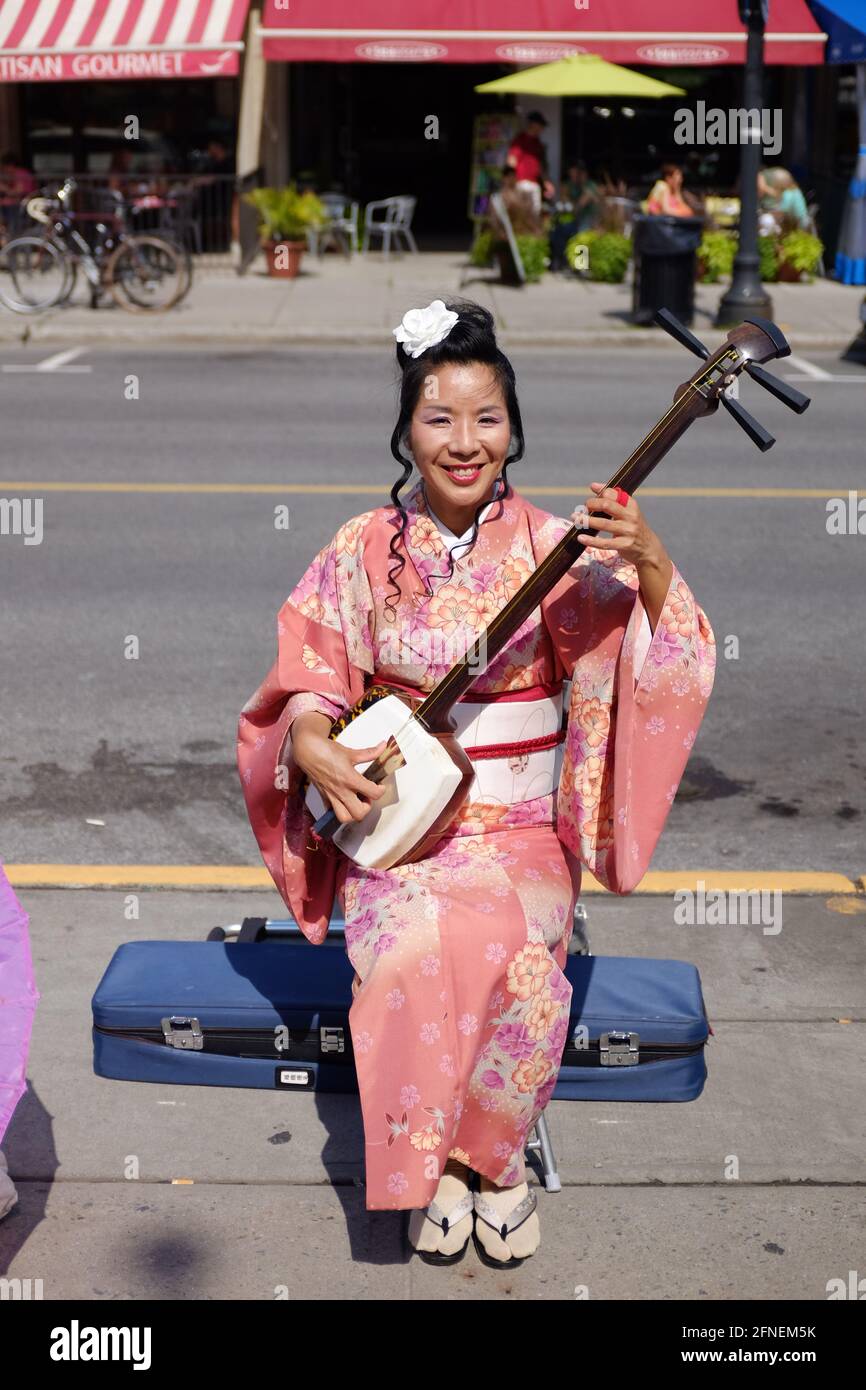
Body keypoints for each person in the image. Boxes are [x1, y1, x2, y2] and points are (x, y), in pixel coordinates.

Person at [236, 297, 716, 1266]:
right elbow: (308, 673)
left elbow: (651, 665)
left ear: (514, 426)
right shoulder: (360, 546)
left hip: (519, 826)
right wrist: (311, 738)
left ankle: (478, 1164)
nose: (464, 443)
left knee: (518, 957)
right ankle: (446, 1167)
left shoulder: (552, 549)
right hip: (405, 829)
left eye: (485, 418)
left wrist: (652, 564)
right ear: (405, 426)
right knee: (412, 945)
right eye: (438, 418)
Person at [548, 161, 600, 272]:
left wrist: (573, 203)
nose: (573, 176)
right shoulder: (570, 185)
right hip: (573, 220)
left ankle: (581, 265)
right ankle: (560, 262)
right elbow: (564, 198)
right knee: (557, 231)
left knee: (582, 233)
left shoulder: (590, 186)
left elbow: (579, 205)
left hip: (588, 220)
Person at [506, 111, 555, 217]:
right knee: (520, 214)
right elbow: (511, 161)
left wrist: (546, 182)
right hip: (520, 183)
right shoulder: (520, 140)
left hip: (534, 184)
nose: (542, 129)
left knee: (534, 215)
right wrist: (510, 184)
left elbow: (540, 166)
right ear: (533, 124)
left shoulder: (537, 142)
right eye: (541, 125)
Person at [758, 167, 810, 233]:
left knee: (767, 220)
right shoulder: (794, 190)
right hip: (798, 221)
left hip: (798, 222)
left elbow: (782, 211)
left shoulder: (788, 193)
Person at [0, 152, 36, 239]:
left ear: (10, 165)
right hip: (18, 205)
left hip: (26, 205)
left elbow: (18, 193)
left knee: (8, 206)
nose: (3, 170)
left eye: (4, 167)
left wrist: (4, 189)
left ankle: (12, 237)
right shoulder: (12, 175)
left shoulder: (20, 174)